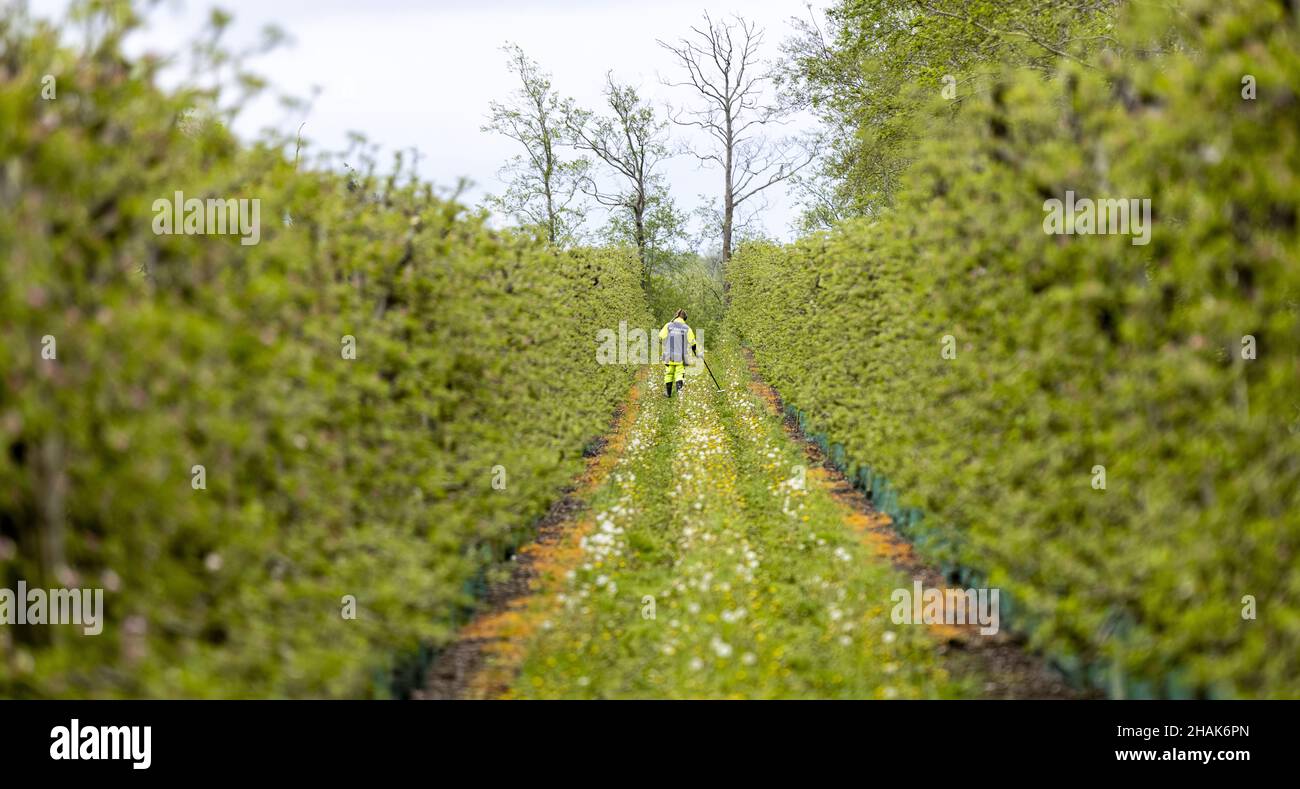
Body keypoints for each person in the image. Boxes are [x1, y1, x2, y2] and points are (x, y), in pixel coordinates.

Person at [658, 309, 697, 398]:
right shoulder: (686, 328)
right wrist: (694, 347)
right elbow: (693, 342)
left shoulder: (668, 325)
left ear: (676, 316)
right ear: (684, 318)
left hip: (668, 355)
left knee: (669, 373)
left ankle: (668, 393)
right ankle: (680, 394)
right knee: (679, 373)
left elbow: (660, 336)